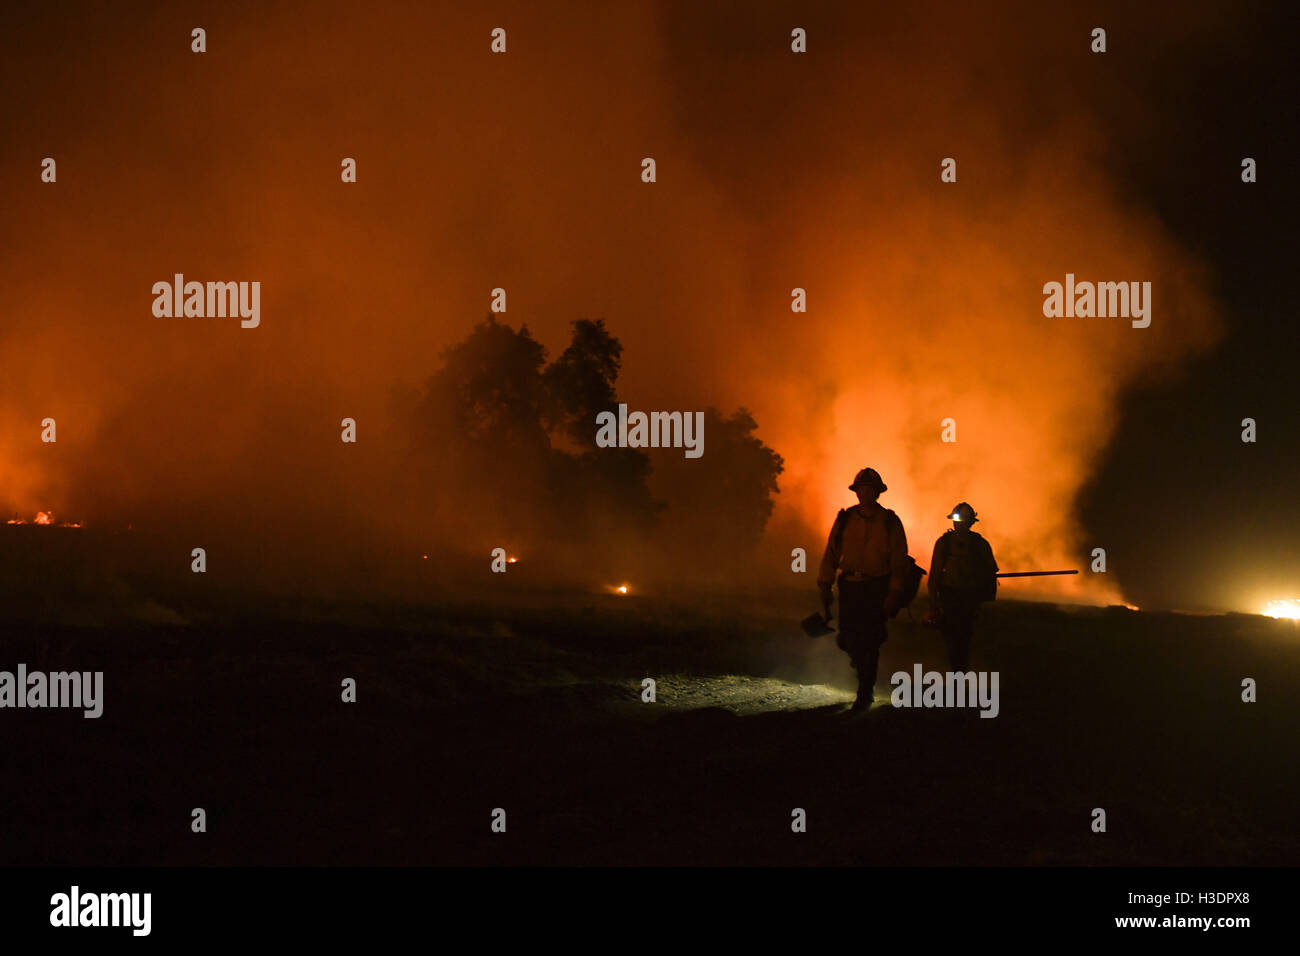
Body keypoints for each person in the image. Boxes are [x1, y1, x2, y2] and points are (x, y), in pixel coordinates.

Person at [817, 468, 909, 713]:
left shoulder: (890, 521)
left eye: (870, 489)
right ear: (856, 491)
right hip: (849, 587)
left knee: (869, 641)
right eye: (861, 488)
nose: (865, 492)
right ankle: (861, 669)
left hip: (876, 588)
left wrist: (893, 593)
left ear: (878, 492)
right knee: (847, 639)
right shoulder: (845, 518)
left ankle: (864, 692)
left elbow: (899, 562)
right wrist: (824, 583)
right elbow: (831, 554)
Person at [926, 502, 998, 671]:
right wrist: (933, 602)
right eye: (957, 519)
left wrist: (982, 589)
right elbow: (935, 573)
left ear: (971, 522)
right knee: (952, 635)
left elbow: (991, 570)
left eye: (964, 519)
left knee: (964, 635)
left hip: (970, 597)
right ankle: (956, 669)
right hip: (949, 595)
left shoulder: (980, 544)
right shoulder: (944, 543)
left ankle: (959, 670)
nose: (959, 523)